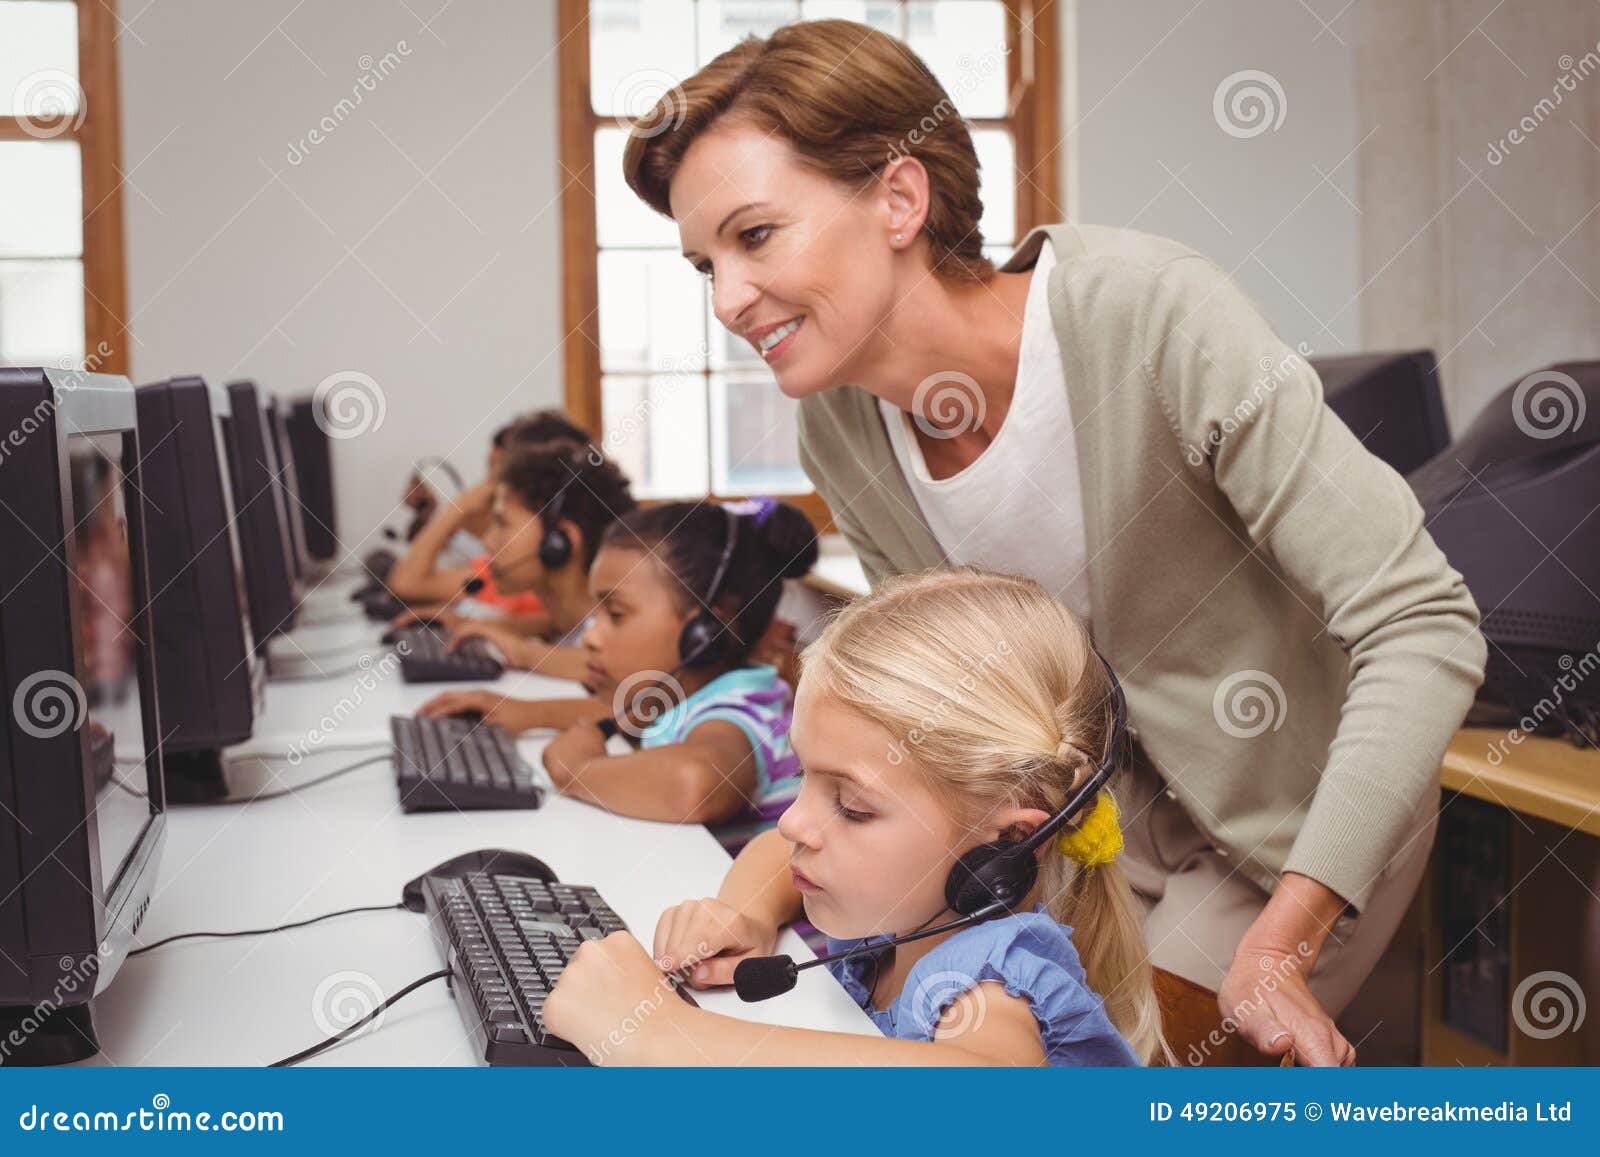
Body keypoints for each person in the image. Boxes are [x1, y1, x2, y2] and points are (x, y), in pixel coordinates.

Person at [618, 18, 1488, 1064]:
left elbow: (1423, 622)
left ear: (899, 199)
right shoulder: (840, 425)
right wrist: (756, 898)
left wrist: (1287, 936)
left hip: (1288, 836)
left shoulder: (1149, 316)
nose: (726, 300)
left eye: (754, 237)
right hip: (1086, 849)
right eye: (701, 263)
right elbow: (927, 717)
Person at [544, 568, 1161, 1066]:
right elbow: (770, 856)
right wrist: (745, 914)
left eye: (853, 807)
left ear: (1009, 843)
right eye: (806, 777)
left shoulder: (991, 982)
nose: (794, 823)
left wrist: (660, 1035)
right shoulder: (907, 907)